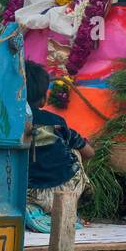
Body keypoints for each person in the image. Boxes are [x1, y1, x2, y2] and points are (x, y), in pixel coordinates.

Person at [24, 62, 95, 232]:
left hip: (25, 194)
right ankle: (63, 210)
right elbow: (90, 153)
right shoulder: (57, 123)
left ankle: (33, 210)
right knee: (75, 152)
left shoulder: (9, 122)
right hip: (62, 196)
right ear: (43, 99)